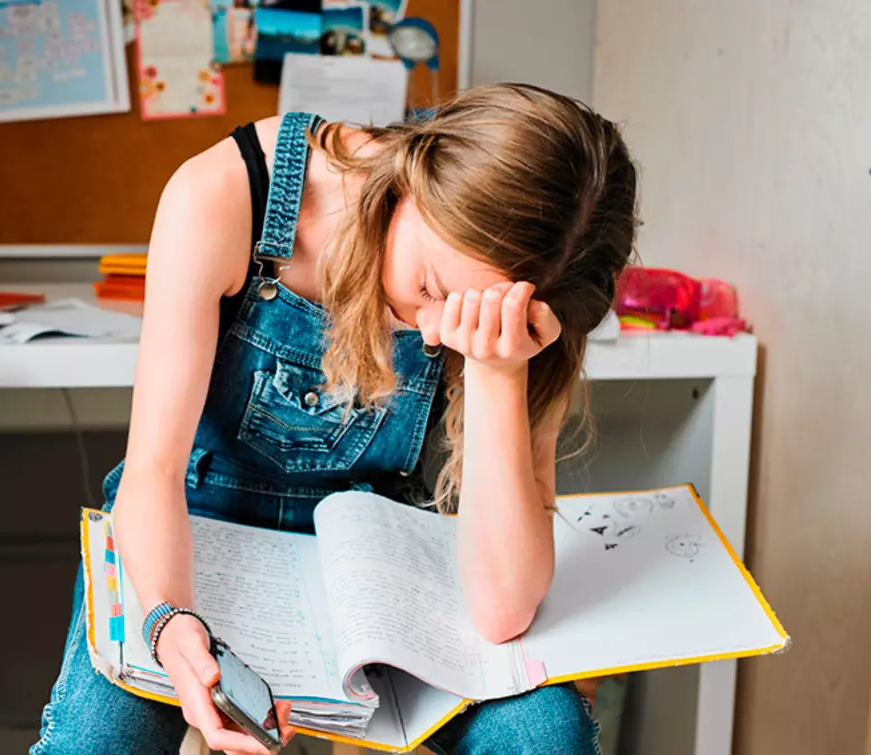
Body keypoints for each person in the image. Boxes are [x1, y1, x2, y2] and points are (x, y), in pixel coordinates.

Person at [31, 84, 638, 755]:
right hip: (193, 532)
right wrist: (172, 622)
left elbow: (502, 607)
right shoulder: (227, 195)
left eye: (472, 323)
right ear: (415, 181)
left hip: (378, 565)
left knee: (546, 734)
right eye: (432, 289)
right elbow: (152, 471)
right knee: (94, 742)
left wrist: (496, 369)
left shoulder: (534, 291)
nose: (436, 336)